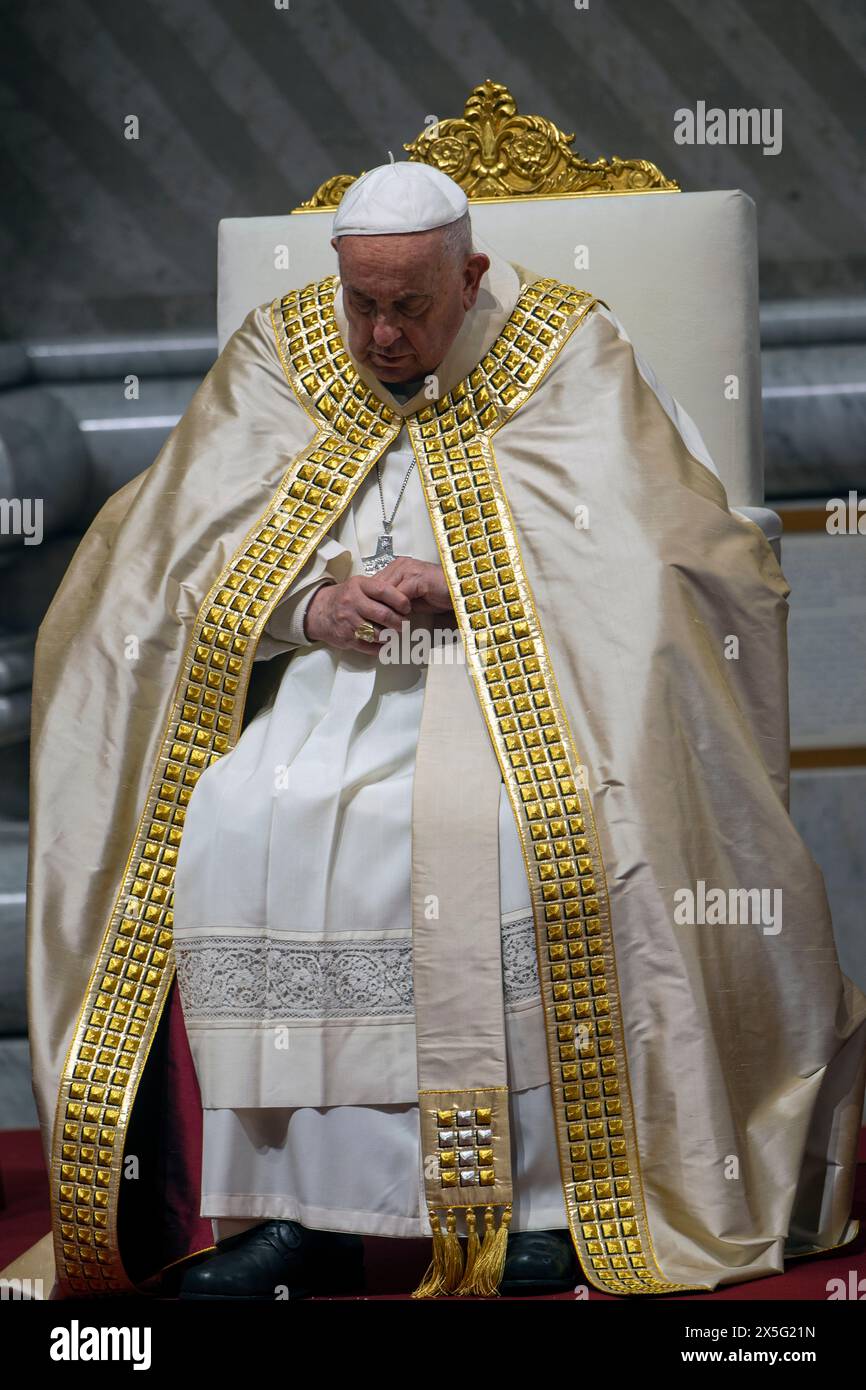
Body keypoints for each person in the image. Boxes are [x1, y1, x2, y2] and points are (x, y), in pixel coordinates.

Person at [22, 162, 866, 1302]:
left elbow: (672, 552)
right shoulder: (284, 352)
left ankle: (548, 1208)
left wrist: (475, 585)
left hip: (520, 688)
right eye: (359, 301)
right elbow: (148, 561)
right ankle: (297, 1216)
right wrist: (303, 604)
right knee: (241, 814)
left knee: (488, 831)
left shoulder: (566, 350)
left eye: (408, 305)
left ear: (467, 277)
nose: (377, 334)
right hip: (318, 684)